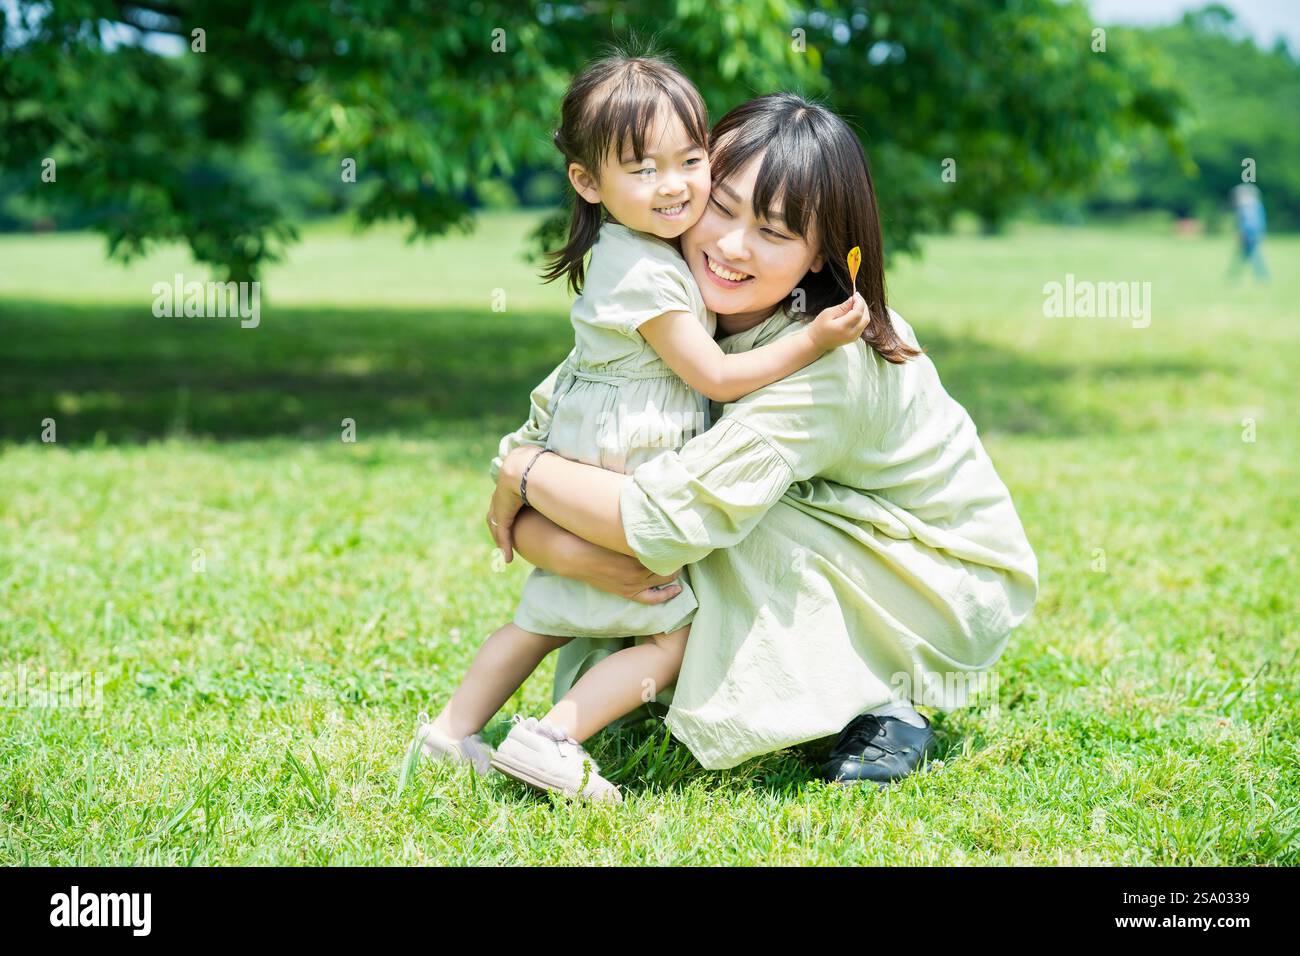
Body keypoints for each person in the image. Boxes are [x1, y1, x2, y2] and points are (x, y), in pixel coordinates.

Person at [486, 93, 1039, 788]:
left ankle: (881, 704)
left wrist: (523, 473)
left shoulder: (832, 358)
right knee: (647, 475)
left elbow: (664, 517)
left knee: (724, 509)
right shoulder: (669, 299)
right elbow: (564, 425)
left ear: (821, 256)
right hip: (819, 528)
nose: (731, 246)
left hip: (937, 578)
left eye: (775, 233)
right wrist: (556, 523)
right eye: (721, 205)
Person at [417, 56, 869, 803]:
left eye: (691, 161)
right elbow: (716, 378)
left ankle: (447, 734)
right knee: (672, 635)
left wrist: (518, 479)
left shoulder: (636, 254)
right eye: (644, 169)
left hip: (589, 451)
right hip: (625, 463)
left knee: (544, 615)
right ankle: (553, 736)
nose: (675, 186)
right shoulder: (650, 275)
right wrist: (813, 340)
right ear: (588, 183)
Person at [1228, 183, 1268, 281]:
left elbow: (1246, 224)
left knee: (1252, 256)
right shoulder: (1256, 206)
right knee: (1251, 256)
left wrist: (1241, 235)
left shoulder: (1247, 207)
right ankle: (1233, 276)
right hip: (1251, 235)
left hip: (1249, 236)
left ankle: (1233, 276)